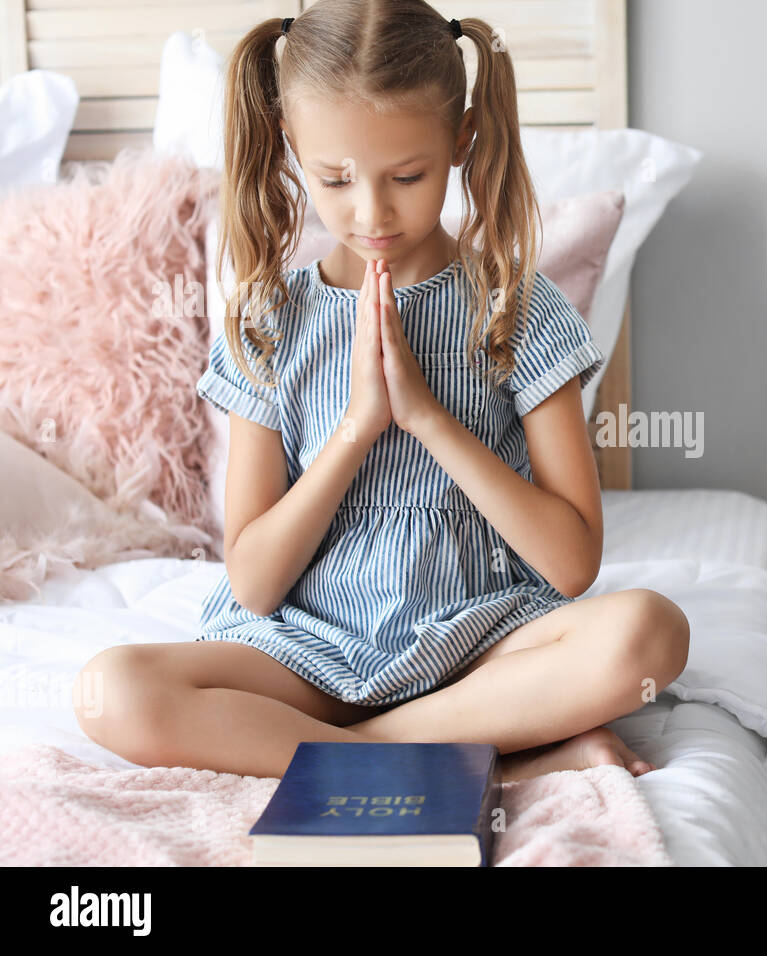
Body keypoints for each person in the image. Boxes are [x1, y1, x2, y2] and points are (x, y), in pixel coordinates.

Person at [74, 0, 689, 782]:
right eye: (335, 178)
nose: (371, 212)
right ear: (294, 148)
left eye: (407, 175)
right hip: (307, 654)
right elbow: (256, 582)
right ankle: (489, 764)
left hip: (476, 649)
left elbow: (572, 567)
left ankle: (380, 751)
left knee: (648, 632)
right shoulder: (271, 319)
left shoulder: (520, 308)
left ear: (460, 141)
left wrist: (428, 418)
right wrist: (359, 427)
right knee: (110, 692)